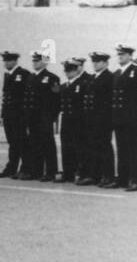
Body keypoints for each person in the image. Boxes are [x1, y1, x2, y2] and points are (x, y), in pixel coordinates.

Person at [110, 44, 137, 191]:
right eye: (119, 55)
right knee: (122, 149)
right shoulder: (117, 73)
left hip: (133, 119)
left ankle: (136, 180)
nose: (120, 57)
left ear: (130, 56)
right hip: (119, 119)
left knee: (134, 151)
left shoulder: (136, 72)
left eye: (123, 55)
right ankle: (123, 179)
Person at [21, 50, 61, 181]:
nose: (35, 63)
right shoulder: (31, 77)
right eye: (33, 60)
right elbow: (27, 98)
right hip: (32, 117)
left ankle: (51, 171)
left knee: (47, 144)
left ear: (44, 62)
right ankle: (36, 171)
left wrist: (52, 116)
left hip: (44, 117)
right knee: (34, 143)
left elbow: (56, 100)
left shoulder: (52, 78)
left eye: (37, 60)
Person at [83, 51, 115, 187]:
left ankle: (107, 176)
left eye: (98, 61)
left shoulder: (109, 77)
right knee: (92, 146)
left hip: (103, 119)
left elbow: (110, 101)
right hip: (91, 119)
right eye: (94, 61)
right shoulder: (92, 78)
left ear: (105, 63)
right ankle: (94, 175)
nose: (95, 64)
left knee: (104, 147)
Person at [58, 57, 90, 184]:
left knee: (80, 148)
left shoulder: (83, 85)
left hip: (79, 121)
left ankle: (82, 173)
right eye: (66, 70)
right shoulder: (64, 86)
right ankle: (68, 173)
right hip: (66, 120)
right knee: (66, 147)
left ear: (77, 70)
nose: (68, 73)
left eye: (71, 70)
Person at [1, 50, 30, 178]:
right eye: (5, 60)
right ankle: (11, 167)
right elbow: (6, 96)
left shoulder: (23, 74)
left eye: (8, 60)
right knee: (12, 142)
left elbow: (26, 95)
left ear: (15, 61)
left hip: (19, 115)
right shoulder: (7, 75)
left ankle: (25, 168)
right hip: (8, 115)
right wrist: (2, 115)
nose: (6, 63)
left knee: (22, 141)